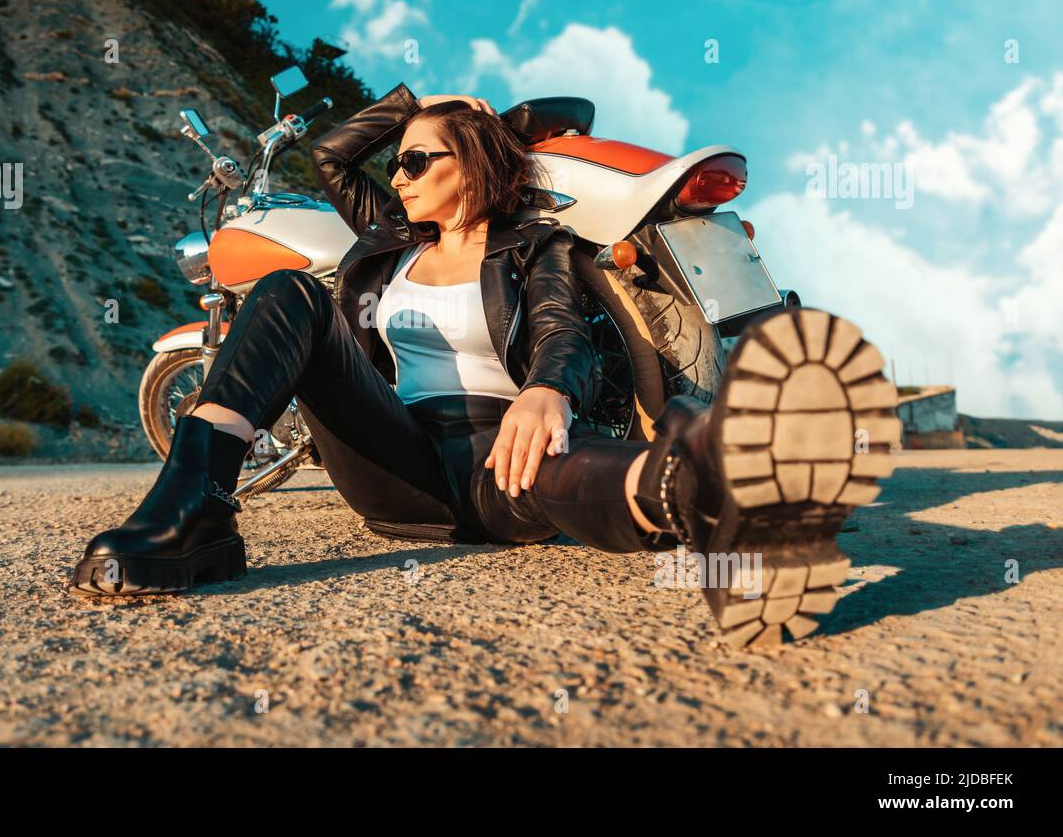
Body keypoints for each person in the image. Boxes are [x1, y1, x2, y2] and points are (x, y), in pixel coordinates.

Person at [69, 84, 900, 648]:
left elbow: (560, 331)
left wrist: (545, 390)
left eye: (419, 158)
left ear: (474, 166)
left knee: (554, 468)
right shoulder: (384, 243)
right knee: (288, 289)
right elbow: (331, 158)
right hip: (397, 459)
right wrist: (418, 106)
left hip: (505, 449)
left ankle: (719, 495)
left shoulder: (532, 245)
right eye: (397, 161)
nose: (398, 174)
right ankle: (194, 513)